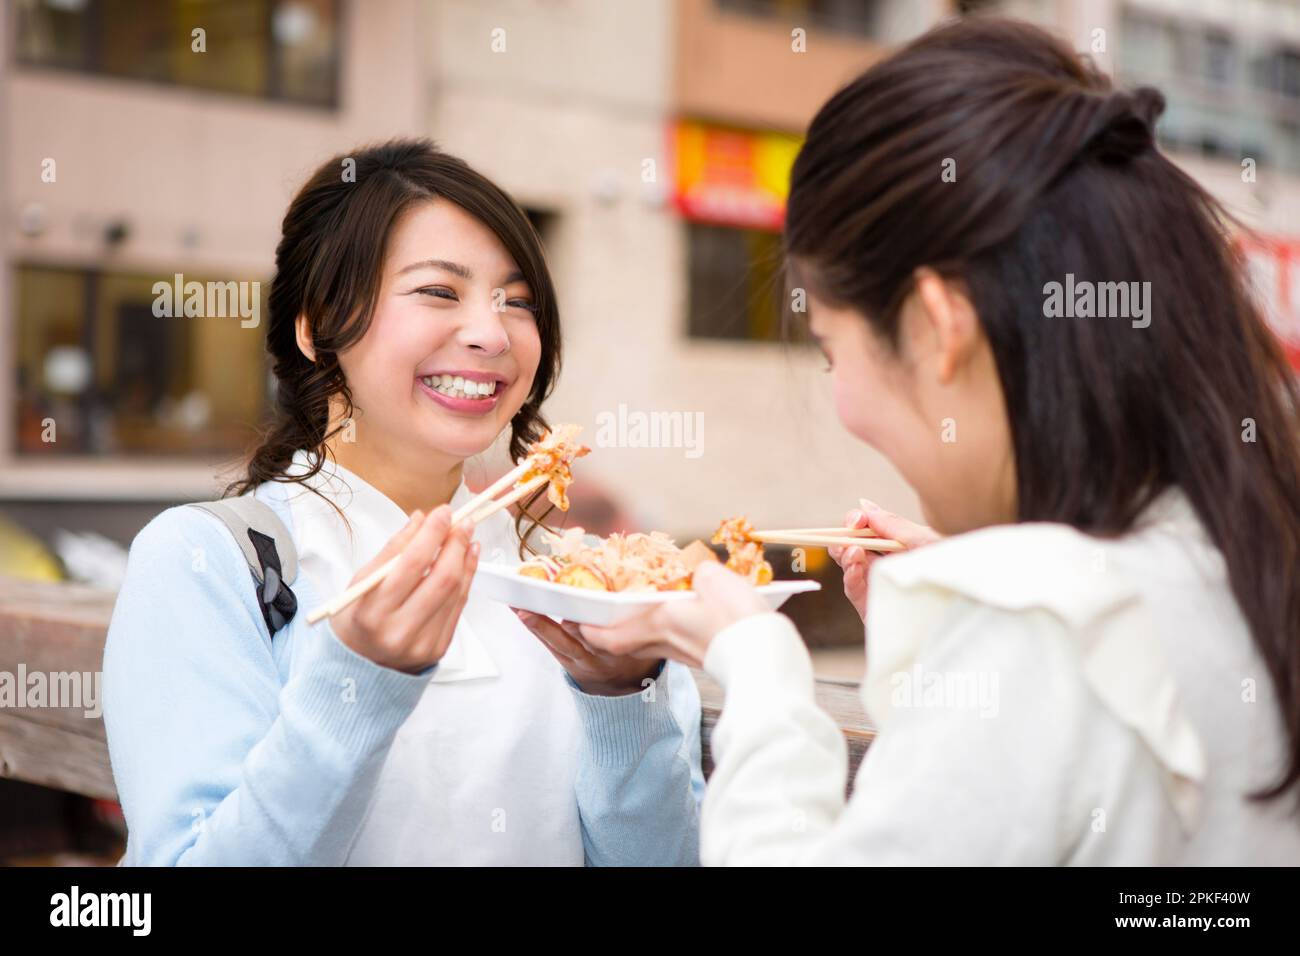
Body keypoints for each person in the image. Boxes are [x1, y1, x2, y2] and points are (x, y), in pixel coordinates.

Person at [579, 18, 1300, 865]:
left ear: (934, 326)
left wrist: (763, 672)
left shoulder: (1041, 624)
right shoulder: (1239, 549)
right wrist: (952, 644)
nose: (842, 401)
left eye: (832, 350)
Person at [103, 139, 703, 866]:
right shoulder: (211, 562)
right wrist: (359, 679)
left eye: (517, 301)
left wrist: (621, 699)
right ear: (318, 324)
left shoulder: (576, 586)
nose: (491, 333)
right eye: (439, 292)